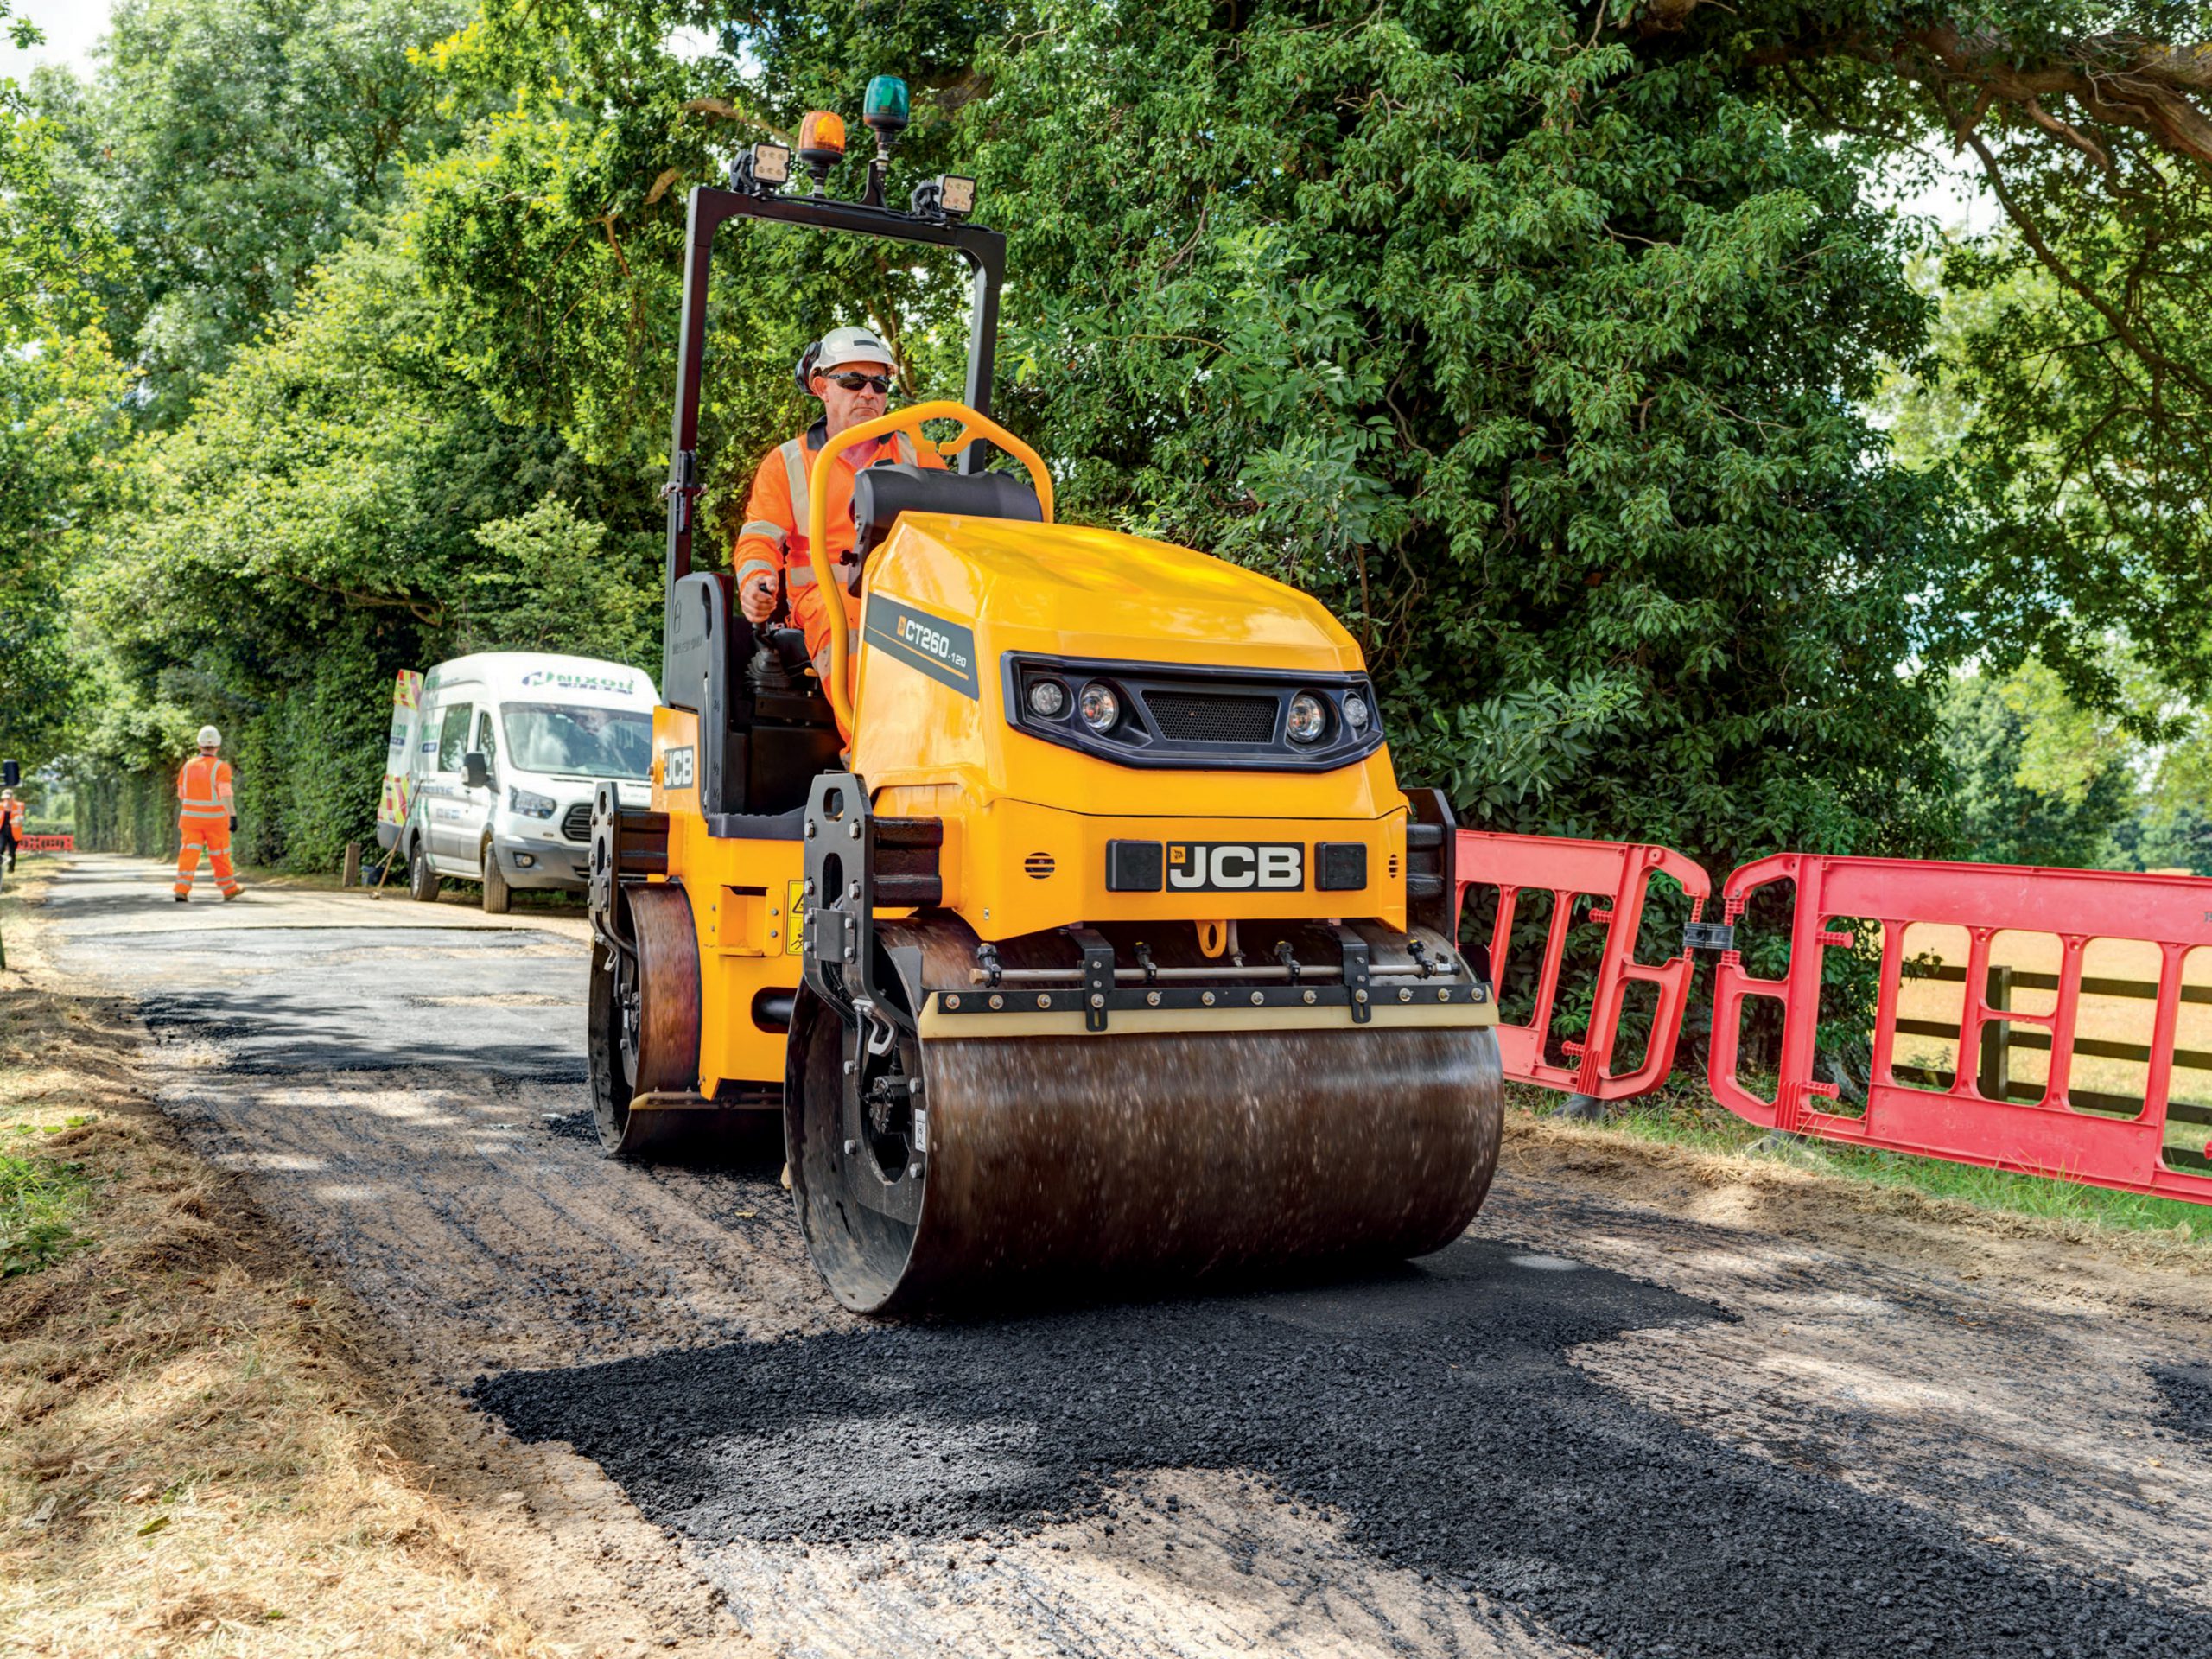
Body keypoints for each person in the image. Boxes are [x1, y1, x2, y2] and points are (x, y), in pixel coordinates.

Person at [730, 325, 944, 683]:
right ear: (822, 387)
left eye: (879, 384)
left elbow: (956, 530)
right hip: (827, 601)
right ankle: (867, 740)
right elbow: (758, 538)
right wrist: (756, 580)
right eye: (853, 381)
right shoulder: (788, 463)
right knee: (853, 629)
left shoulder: (919, 457)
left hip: (910, 598)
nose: (868, 393)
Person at [174, 725, 242, 902]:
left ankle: (181, 889)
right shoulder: (221, 767)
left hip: (190, 820)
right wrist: (232, 815)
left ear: (199, 745)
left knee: (189, 854)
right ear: (218, 745)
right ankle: (229, 889)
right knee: (220, 854)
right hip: (216, 821)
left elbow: (181, 793)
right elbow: (225, 792)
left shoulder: (187, 766)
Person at [0, 789, 21, 873]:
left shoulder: (19, 806)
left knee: (12, 852)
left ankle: (11, 868)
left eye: (8, 798)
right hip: (2, 832)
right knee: (0, 849)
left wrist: (17, 820)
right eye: (5, 798)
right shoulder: (1, 806)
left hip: (13, 832)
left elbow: (20, 816)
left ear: (12, 797)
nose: (7, 800)